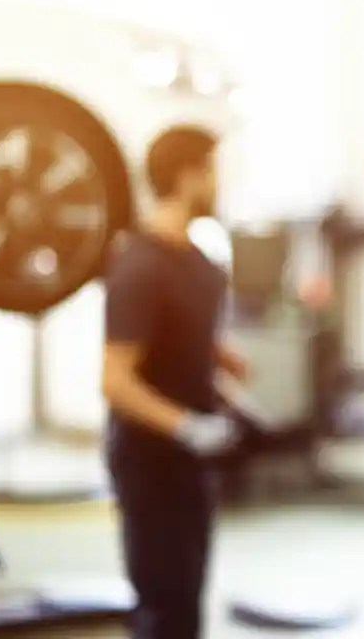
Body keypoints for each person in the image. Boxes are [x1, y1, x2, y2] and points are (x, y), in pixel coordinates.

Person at [101, 126, 253, 639]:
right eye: (215, 172)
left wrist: (218, 360)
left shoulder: (199, 263)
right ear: (189, 176)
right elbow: (116, 381)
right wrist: (187, 426)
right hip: (150, 463)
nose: (222, 185)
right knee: (163, 606)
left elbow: (180, 341)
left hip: (190, 464)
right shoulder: (139, 266)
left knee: (187, 601)